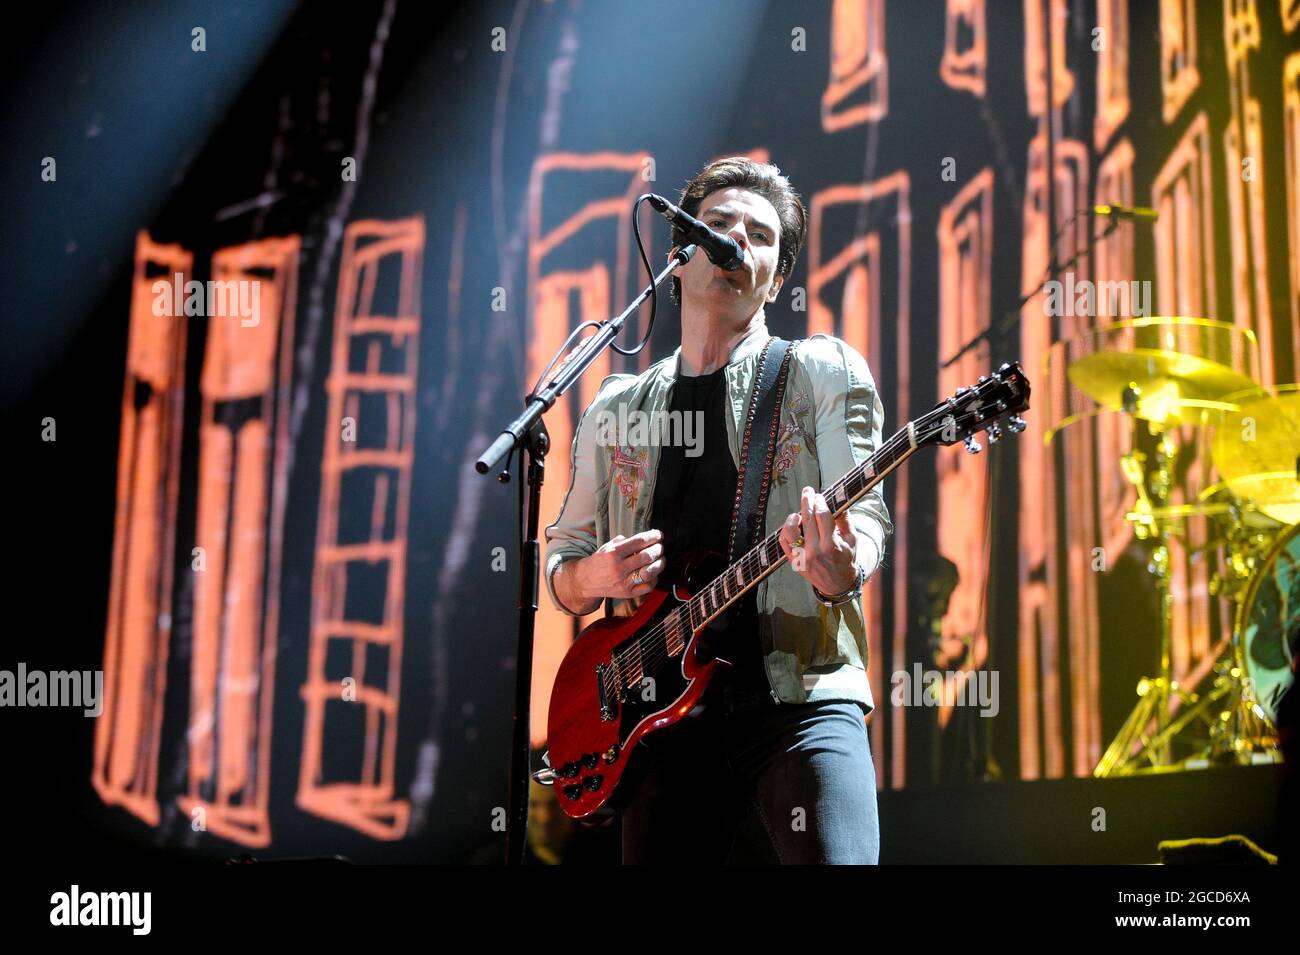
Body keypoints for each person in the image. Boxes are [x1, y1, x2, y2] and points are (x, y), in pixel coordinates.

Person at [544, 157, 892, 864]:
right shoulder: (615, 408)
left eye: (760, 236)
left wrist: (841, 565)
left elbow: (870, 520)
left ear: (776, 276)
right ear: (679, 255)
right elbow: (560, 562)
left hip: (800, 696)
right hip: (658, 718)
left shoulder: (821, 371)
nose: (737, 241)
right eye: (721, 225)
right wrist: (593, 579)